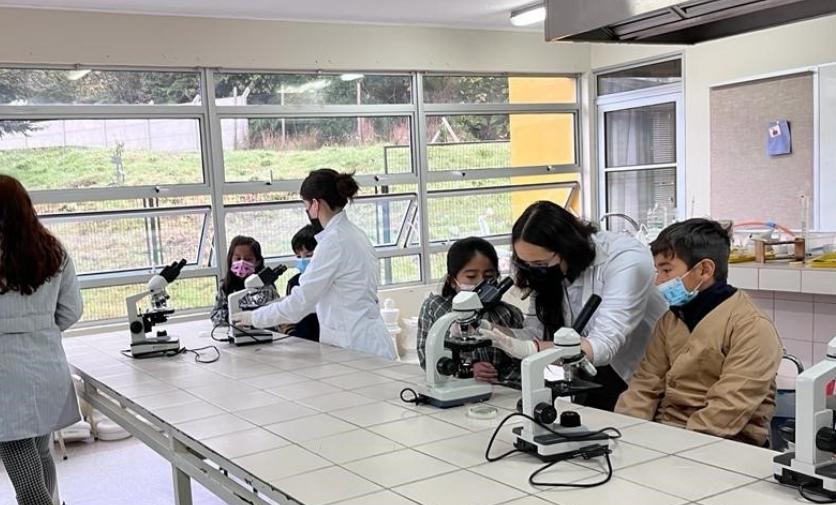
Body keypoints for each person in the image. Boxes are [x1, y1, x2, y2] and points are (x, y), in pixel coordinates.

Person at [481, 201, 668, 411]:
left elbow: (602, 346)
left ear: (566, 248)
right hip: (593, 371)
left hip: (646, 372)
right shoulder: (552, 271)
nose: (534, 271)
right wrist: (492, 332)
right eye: (526, 264)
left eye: (540, 264)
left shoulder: (625, 260)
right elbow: (537, 333)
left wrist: (526, 349)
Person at [615, 219, 782, 446]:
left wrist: (675, 448)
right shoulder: (671, 319)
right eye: (657, 271)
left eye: (666, 270)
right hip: (665, 433)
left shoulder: (752, 327)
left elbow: (728, 407)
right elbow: (645, 385)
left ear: (704, 269)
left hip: (727, 444)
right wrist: (625, 434)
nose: (659, 280)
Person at [232, 168, 396, 359]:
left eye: (306, 205)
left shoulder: (333, 243)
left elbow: (301, 302)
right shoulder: (353, 234)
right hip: (368, 340)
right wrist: (272, 308)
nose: (307, 211)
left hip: (355, 346)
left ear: (316, 204)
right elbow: (315, 299)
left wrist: (253, 317)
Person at [0, 174, 84, 505]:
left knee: (25, 477)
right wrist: (41, 332)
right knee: (41, 455)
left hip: (6, 380)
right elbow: (72, 310)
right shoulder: (53, 250)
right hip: (47, 367)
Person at [417, 237, 524, 383]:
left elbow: (523, 358)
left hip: (504, 387)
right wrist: (467, 368)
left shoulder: (509, 314)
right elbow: (426, 356)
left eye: (488, 276)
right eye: (471, 276)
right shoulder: (435, 308)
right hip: (458, 384)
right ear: (452, 281)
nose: (480, 282)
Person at [210, 235, 280, 327]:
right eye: (238, 259)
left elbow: (274, 314)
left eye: (248, 259)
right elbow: (215, 315)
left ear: (257, 262)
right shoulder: (225, 285)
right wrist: (231, 318)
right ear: (231, 260)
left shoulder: (266, 288)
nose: (242, 263)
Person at [282, 224, 321, 342]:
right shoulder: (294, 282)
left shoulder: (330, 281)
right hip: (301, 341)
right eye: (299, 256)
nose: (303, 260)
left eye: (309, 256)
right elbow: (289, 315)